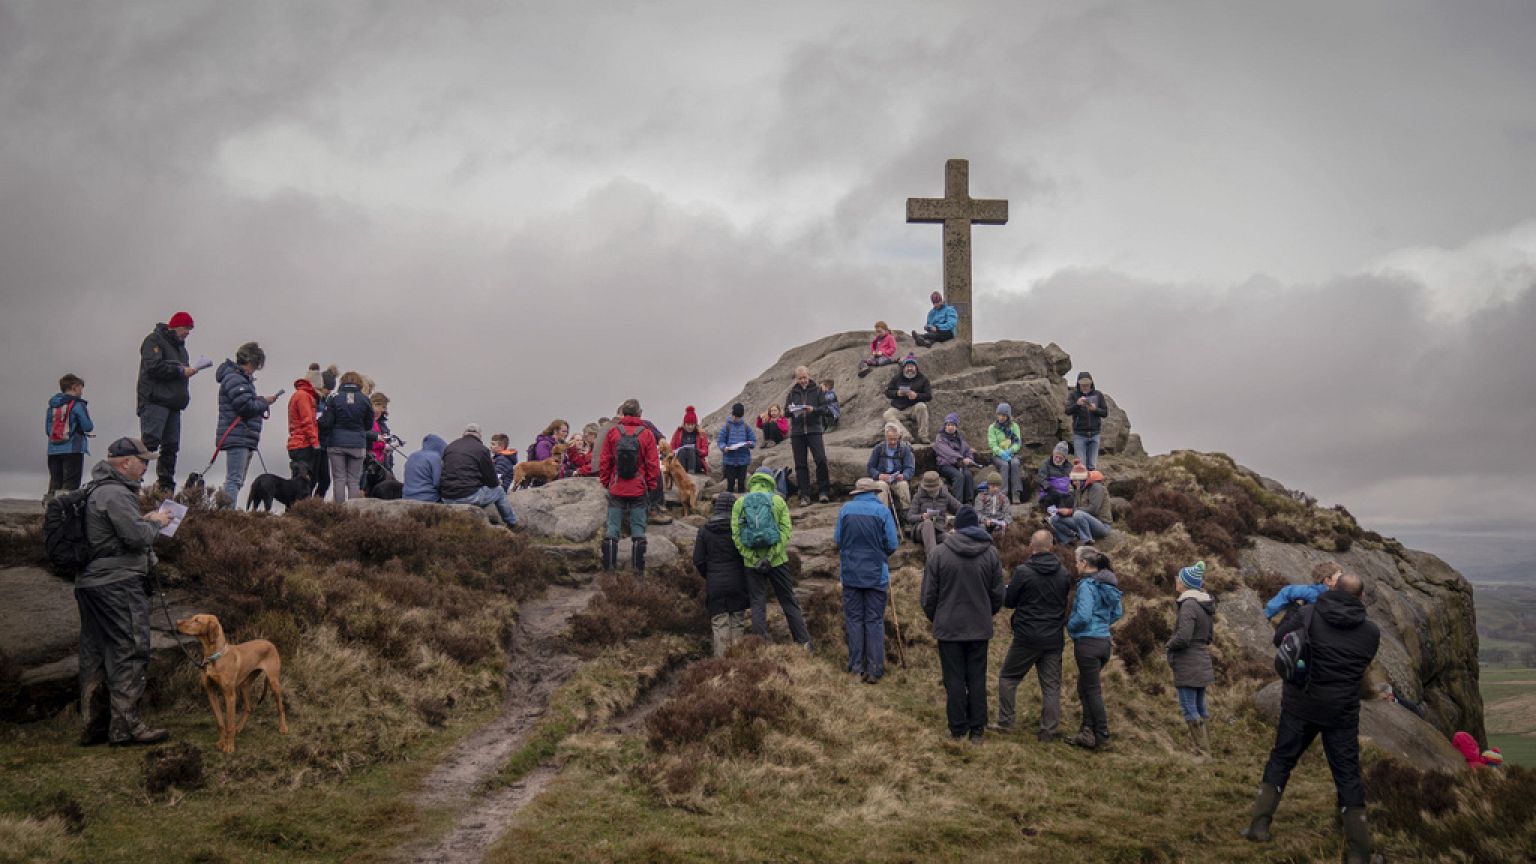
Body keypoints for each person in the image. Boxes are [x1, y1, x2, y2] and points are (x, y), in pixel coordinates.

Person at [1243, 572, 1381, 864]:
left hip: (1300, 704)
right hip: (1341, 712)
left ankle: (1258, 826)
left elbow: (1279, 639)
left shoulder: (1308, 613)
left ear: (1332, 589)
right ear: (1360, 597)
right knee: (1347, 775)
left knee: (1281, 759)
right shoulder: (1371, 633)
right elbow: (1359, 665)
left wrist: (1295, 613)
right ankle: (1358, 853)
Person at [77, 437, 173, 746]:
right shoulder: (116, 493)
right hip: (118, 584)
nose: (146, 467)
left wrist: (141, 522)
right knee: (130, 650)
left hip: (90, 583)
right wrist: (156, 523)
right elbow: (135, 538)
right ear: (125, 462)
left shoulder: (95, 490)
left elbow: (117, 533)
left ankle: (93, 726)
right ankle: (125, 728)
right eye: (143, 461)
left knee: (94, 653)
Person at [920, 506, 1005, 743]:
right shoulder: (990, 553)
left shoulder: (938, 554)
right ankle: (977, 728)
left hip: (948, 627)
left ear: (955, 527)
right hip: (978, 626)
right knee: (977, 677)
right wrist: (987, 613)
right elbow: (998, 593)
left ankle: (958, 728)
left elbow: (928, 596)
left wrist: (936, 617)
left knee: (954, 679)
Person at [995, 530, 1073, 741]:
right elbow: (1064, 602)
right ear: (1051, 546)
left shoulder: (1023, 571)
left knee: (1008, 678)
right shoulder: (1063, 573)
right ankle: (1048, 731)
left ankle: (1006, 722)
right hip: (1053, 637)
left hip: (1027, 636)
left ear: (1031, 546)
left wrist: (1006, 589)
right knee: (1051, 686)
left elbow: (1009, 601)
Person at [731, 468, 812, 650]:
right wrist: (771, 556)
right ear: (770, 481)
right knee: (788, 601)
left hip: (751, 563)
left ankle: (760, 646)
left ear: (752, 481)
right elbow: (785, 531)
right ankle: (804, 643)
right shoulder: (777, 501)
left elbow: (736, 536)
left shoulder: (740, 503)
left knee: (758, 603)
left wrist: (753, 557)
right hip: (777, 561)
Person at [835, 477, 901, 684]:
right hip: (875, 574)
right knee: (874, 621)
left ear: (857, 492)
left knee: (854, 621)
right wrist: (880, 554)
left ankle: (856, 667)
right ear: (873, 492)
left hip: (851, 573)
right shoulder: (882, 511)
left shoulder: (845, 510)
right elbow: (892, 543)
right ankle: (874, 669)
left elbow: (838, 540)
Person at [137, 311, 204, 493]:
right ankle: (133, 482)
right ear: (175, 326)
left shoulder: (182, 349)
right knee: (149, 443)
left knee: (171, 447)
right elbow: (153, 366)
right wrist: (180, 371)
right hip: (155, 402)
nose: (187, 332)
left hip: (174, 404)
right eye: (186, 328)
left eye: (190, 329)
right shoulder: (154, 340)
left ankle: (165, 488)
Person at [1067, 546, 1123, 751]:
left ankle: (1103, 735)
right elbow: (1118, 612)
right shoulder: (1107, 584)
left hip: (1087, 643)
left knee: (1091, 690)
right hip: (1104, 642)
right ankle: (1087, 732)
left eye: (1076, 561)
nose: (1075, 565)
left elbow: (1083, 615)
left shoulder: (1087, 586)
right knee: (1085, 687)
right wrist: (1103, 623)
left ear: (1084, 563)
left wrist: (1070, 626)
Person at [600, 399, 660, 574]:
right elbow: (652, 464)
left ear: (623, 413)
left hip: (617, 487)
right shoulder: (647, 434)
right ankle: (637, 572)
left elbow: (605, 461)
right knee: (638, 529)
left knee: (612, 528)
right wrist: (650, 485)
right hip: (638, 488)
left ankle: (609, 570)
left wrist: (606, 481)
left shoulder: (613, 432)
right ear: (640, 413)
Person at [214, 342, 277, 507]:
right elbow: (245, 406)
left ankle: (225, 512)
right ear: (249, 361)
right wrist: (264, 402)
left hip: (243, 435)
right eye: (254, 365)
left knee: (237, 479)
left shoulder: (239, 379)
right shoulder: (235, 378)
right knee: (234, 479)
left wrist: (259, 401)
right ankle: (226, 516)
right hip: (238, 435)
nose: (254, 369)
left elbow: (244, 403)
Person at [1167, 561, 1216, 759]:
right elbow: (1209, 637)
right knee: (1200, 707)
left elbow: (1183, 637)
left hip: (1188, 662)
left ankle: (1203, 753)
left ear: (1185, 583)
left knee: (1189, 708)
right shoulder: (1205, 605)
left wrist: (1169, 644)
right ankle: (1207, 750)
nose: (1176, 581)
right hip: (1202, 660)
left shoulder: (1188, 605)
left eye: (1179, 578)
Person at [694, 493, 750, 657]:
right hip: (738, 582)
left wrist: (709, 575)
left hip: (715, 583)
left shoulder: (704, 530)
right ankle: (738, 665)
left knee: (720, 624)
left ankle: (722, 667)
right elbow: (746, 555)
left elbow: (698, 560)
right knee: (737, 622)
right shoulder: (739, 529)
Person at [439, 424, 518, 529]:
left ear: (464, 434)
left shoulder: (450, 447)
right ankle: (512, 523)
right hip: (468, 497)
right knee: (498, 491)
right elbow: (492, 481)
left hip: (446, 497)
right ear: (479, 436)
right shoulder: (482, 450)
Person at [319, 371, 374, 503]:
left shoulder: (334, 398)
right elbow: (369, 425)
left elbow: (327, 422)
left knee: (339, 478)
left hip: (336, 443)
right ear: (359, 383)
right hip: (357, 445)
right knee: (353, 480)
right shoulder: (365, 400)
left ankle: (339, 510)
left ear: (342, 382)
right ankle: (353, 511)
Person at [783, 366, 832, 506]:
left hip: (814, 430)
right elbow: (786, 411)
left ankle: (824, 492)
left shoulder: (817, 390)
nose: (803, 380)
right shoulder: (792, 392)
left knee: (821, 460)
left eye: (805, 377)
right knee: (800, 465)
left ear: (809, 375)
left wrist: (813, 409)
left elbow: (825, 409)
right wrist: (792, 411)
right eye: (800, 378)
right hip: (797, 433)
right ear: (796, 379)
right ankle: (805, 495)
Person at [45, 373, 94, 500]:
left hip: (53, 450)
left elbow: (47, 430)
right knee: (70, 485)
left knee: (55, 483)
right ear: (74, 387)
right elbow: (88, 426)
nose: (81, 391)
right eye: (80, 388)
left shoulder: (52, 406)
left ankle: (51, 512)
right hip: (73, 449)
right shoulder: (78, 405)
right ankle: (66, 515)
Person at [1051, 467, 1113, 545]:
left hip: (1102, 525)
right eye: (1073, 481)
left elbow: (1093, 510)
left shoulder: (1097, 487)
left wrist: (1070, 511)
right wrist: (1062, 512)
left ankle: (1087, 541)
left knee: (1078, 514)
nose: (1074, 483)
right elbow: (1076, 508)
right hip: (1085, 522)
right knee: (1055, 519)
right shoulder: (1079, 489)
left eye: (1076, 480)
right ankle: (1068, 541)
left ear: (1084, 479)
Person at [1263, 561, 1343, 619]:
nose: (1343, 579)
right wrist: (1266, 615)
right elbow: (1287, 591)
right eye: (1339, 577)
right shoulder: (1311, 592)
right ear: (1327, 580)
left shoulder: (1336, 594)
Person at [906, 470, 961, 554]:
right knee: (928, 524)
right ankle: (932, 561)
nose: (931, 491)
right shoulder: (918, 496)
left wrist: (957, 527)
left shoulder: (945, 495)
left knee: (950, 539)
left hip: (939, 530)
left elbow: (961, 509)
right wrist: (921, 517)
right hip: (921, 530)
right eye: (929, 489)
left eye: (933, 489)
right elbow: (909, 517)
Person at [286, 366, 322, 494]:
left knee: (297, 480)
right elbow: (308, 421)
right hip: (303, 444)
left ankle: (293, 509)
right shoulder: (304, 396)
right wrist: (315, 443)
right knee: (303, 482)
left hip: (296, 443)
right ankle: (300, 508)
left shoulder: (298, 395)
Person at [883, 354, 933, 443]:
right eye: (907, 366)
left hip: (914, 409)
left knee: (922, 406)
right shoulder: (897, 377)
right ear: (904, 368)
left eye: (912, 366)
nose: (910, 368)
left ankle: (923, 436)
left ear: (916, 367)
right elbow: (888, 392)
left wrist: (917, 395)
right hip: (899, 409)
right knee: (887, 414)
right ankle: (906, 436)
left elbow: (929, 396)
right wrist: (897, 393)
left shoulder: (923, 379)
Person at [866, 422, 915, 512]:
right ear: (886, 438)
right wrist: (878, 475)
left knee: (903, 485)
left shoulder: (904, 449)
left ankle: (906, 512)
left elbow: (910, 468)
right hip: (882, 479)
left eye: (895, 439)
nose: (893, 442)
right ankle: (883, 513)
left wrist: (904, 475)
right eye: (890, 439)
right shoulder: (878, 449)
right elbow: (870, 467)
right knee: (881, 486)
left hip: (897, 479)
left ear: (898, 438)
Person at [1064, 372, 1109, 470]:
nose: (1085, 387)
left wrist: (1095, 409)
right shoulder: (1074, 395)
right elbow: (1067, 411)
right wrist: (1077, 405)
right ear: (1079, 384)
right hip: (1079, 435)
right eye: (1083, 385)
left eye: (1087, 385)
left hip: (1095, 434)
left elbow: (1105, 413)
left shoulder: (1098, 395)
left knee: (1092, 465)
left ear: (1091, 384)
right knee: (1080, 466)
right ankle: (1081, 485)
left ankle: (1091, 484)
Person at [933, 413, 979, 504]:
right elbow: (948, 453)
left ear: (956, 426)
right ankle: (957, 504)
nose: (950, 427)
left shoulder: (959, 439)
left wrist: (969, 459)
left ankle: (969, 502)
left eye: (953, 425)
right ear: (945, 426)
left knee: (968, 475)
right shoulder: (940, 438)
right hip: (945, 465)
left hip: (959, 464)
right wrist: (961, 459)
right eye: (948, 425)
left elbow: (967, 450)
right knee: (959, 476)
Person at [987, 403, 1025, 504]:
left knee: (1015, 464)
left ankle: (1016, 494)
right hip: (998, 455)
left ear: (1008, 416)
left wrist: (1011, 450)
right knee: (1004, 465)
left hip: (1012, 454)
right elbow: (992, 444)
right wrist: (1001, 453)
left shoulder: (1014, 426)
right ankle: (1003, 495)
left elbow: (1017, 443)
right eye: (999, 415)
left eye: (1004, 415)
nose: (1001, 417)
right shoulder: (992, 427)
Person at [310, 365, 338, 500]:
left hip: (324, 445)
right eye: (327, 388)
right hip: (314, 444)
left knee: (325, 480)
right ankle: (300, 508)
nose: (328, 391)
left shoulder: (326, 401)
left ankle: (314, 507)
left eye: (331, 389)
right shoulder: (315, 400)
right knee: (312, 479)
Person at [716, 403, 757, 494]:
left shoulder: (746, 427)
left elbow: (753, 440)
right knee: (730, 483)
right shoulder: (726, 427)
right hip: (729, 460)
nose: (736, 418)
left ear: (741, 416)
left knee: (742, 483)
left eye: (738, 417)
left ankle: (741, 503)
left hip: (743, 460)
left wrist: (750, 443)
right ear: (732, 414)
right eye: (734, 416)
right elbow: (720, 441)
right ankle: (730, 503)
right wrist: (724, 447)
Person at [403, 434, 448, 502]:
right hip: (427, 499)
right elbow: (438, 483)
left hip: (407, 498)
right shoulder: (435, 457)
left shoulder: (412, 455)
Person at [669, 407, 710, 475]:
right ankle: (681, 473)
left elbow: (705, 451)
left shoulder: (701, 434)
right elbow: (671, 448)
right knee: (682, 451)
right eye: (688, 424)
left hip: (696, 461)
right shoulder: (678, 432)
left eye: (692, 424)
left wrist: (697, 450)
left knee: (691, 450)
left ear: (695, 424)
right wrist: (675, 451)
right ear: (684, 424)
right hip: (681, 459)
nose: (690, 427)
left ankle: (691, 473)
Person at [1036, 442, 1073, 509]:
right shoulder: (1045, 464)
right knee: (1051, 499)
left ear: (1065, 457)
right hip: (1050, 493)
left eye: (1060, 457)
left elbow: (1074, 481)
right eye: (1056, 456)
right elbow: (1041, 479)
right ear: (1053, 453)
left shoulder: (1069, 466)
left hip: (1065, 494)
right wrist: (1050, 488)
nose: (1058, 459)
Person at [369, 392, 394, 472]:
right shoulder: (367, 423)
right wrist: (384, 446)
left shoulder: (383, 425)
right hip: (371, 465)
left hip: (384, 465)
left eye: (383, 408)